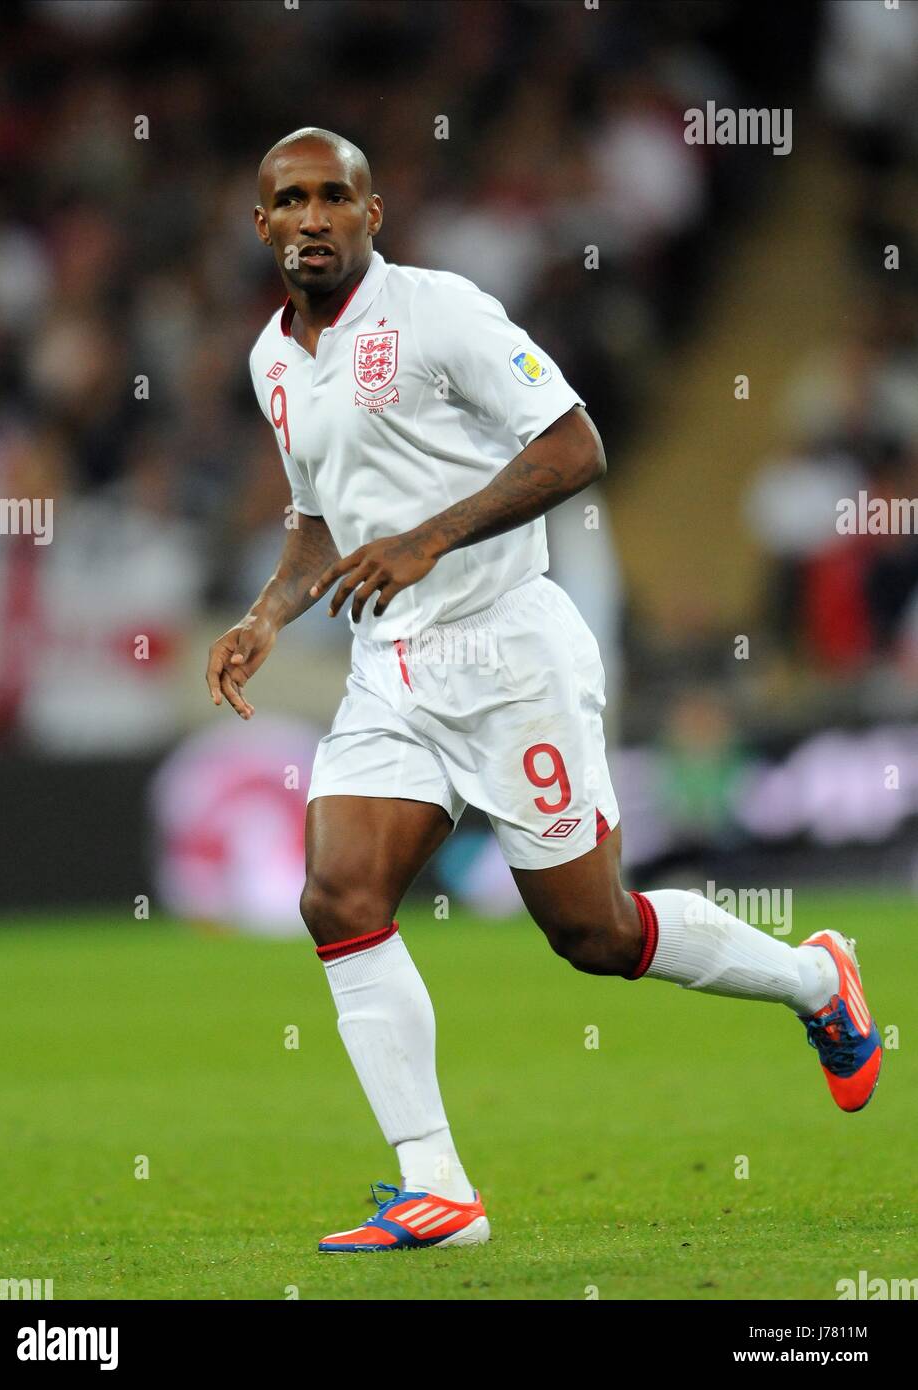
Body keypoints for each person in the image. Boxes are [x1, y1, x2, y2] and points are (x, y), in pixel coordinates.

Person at [206, 128, 882, 1253]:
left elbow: (575, 446)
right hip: (391, 668)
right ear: (261, 222)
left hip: (507, 654)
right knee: (338, 895)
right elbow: (319, 514)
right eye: (291, 200)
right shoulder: (271, 361)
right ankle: (438, 1187)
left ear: (372, 214)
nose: (313, 217)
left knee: (594, 932)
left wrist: (430, 537)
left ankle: (817, 978)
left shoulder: (440, 313)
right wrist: (267, 614)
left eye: (335, 197)